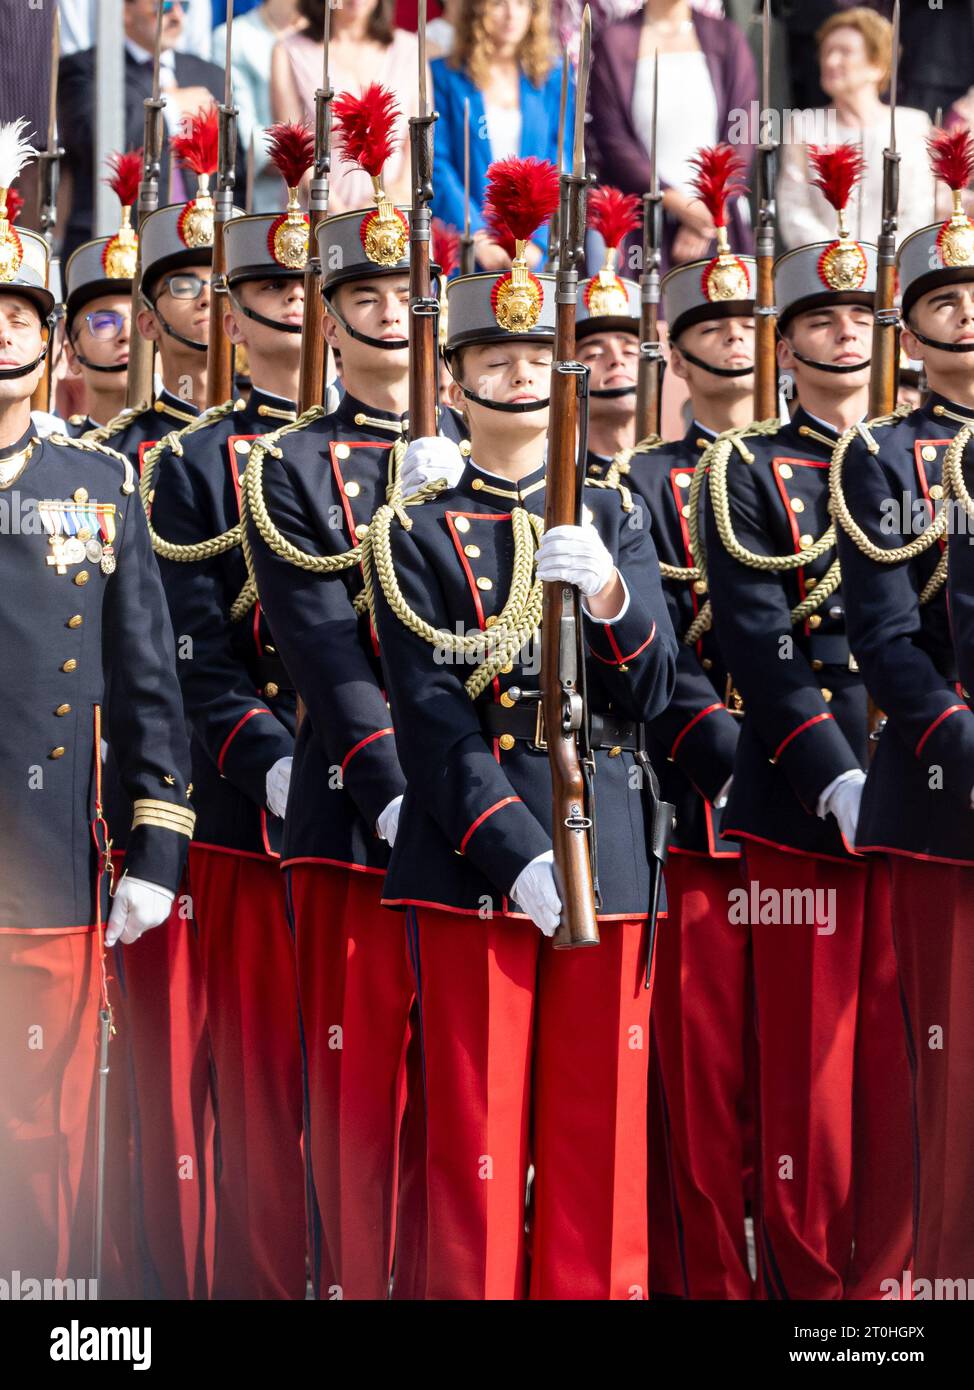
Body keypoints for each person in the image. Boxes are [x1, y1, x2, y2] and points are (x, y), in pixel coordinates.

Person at [367, 156, 678, 1300]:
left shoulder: (612, 508)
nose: (512, 377)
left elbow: (652, 691)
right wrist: (520, 857)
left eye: (530, 360)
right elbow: (433, 722)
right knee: (478, 1152)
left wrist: (608, 596)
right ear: (450, 383)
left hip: (610, 844)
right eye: (488, 359)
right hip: (477, 851)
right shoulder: (412, 525)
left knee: (601, 1156)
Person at [243, 87, 465, 1301]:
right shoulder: (286, 463)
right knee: (360, 1089)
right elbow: (324, 648)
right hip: (364, 809)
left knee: (468, 1099)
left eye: (402, 296)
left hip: (491, 814)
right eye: (362, 299)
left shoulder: (494, 455)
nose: (387, 317)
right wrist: (398, 794)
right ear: (328, 318)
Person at [698, 143, 912, 1299]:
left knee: (908, 1060)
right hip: (807, 798)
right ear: (780, 345)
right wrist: (833, 776)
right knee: (811, 1076)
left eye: (854, 316)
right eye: (815, 318)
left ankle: (892, 1282)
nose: (839, 334)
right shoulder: (741, 468)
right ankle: (811, 1288)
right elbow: (759, 638)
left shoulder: (916, 455)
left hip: (926, 789)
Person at [0, 144, 194, 1283]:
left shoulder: (98, 483)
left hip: (46, 871)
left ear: (53, 341)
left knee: (43, 1138)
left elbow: (146, 679)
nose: (5, 333)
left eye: (23, 313)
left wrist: (156, 842)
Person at [139, 128, 313, 1300]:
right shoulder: (194, 463)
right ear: (227, 317)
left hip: (435, 815)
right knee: (255, 1091)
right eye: (261, 289)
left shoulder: (422, 453)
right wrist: (282, 767)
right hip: (257, 811)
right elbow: (191, 654)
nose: (291, 312)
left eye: (313, 290)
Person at [597, 148, 754, 1300]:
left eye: (755, 318)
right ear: (676, 346)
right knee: (695, 1084)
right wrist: (735, 755)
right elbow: (663, 647)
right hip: (693, 800)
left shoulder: (821, 468)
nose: (739, 337)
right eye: (717, 319)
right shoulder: (642, 482)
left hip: (825, 798)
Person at [833, 126, 974, 1288]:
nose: (966, 316)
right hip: (950, 790)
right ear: (908, 326)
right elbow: (882, 637)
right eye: (942, 298)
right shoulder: (879, 455)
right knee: (954, 1071)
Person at [86, 110, 227, 462]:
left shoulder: (274, 441)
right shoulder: (109, 453)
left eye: (216, 283)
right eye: (183, 286)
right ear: (147, 322)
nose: (206, 298)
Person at [58, 0, 244, 257]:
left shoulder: (209, 74)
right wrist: (172, 109)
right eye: (164, 6)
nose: (177, 16)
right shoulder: (86, 69)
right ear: (124, 11)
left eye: (184, 6)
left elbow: (235, 170)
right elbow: (95, 139)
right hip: (116, 245)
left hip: (201, 247)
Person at [587, 0, 756, 276]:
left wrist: (708, 213)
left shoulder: (725, 36)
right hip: (646, 221)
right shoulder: (614, 41)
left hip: (719, 219)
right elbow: (613, 139)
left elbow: (743, 128)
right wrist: (678, 204)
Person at [778, 7, 938, 251]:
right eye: (827, 52)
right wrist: (843, 258)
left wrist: (882, 259)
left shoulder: (913, 125)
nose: (831, 61)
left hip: (895, 275)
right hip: (825, 273)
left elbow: (921, 207)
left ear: (878, 66)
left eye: (845, 52)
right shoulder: (803, 124)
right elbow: (793, 208)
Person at [431, 0, 569, 271]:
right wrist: (478, 237)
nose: (511, 14)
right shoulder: (444, 77)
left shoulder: (554, 78)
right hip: (466, 248)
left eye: (522, 3)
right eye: (498, 3)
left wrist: (536, 240)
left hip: (533, 253)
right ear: (476, 9)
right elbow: (438, 164)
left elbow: (560, 157)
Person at [270, 0, 422, 212]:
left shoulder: (410, 50)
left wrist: (385, 205)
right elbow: (296, 152)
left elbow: (417, 146)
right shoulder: (289, 51)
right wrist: (340, 218)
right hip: (321, 219)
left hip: (395, 220)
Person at [62, 150, 141, 436]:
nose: (126, 336)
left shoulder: (190, 452)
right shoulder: (62, 450)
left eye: (141, 321)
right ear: (72, 356)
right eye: (105, 322)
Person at [211, 1, 302, 213]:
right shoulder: (234, 37)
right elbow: (246, 141)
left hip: (346, 196)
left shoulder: (338, 32)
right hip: (271, 207)